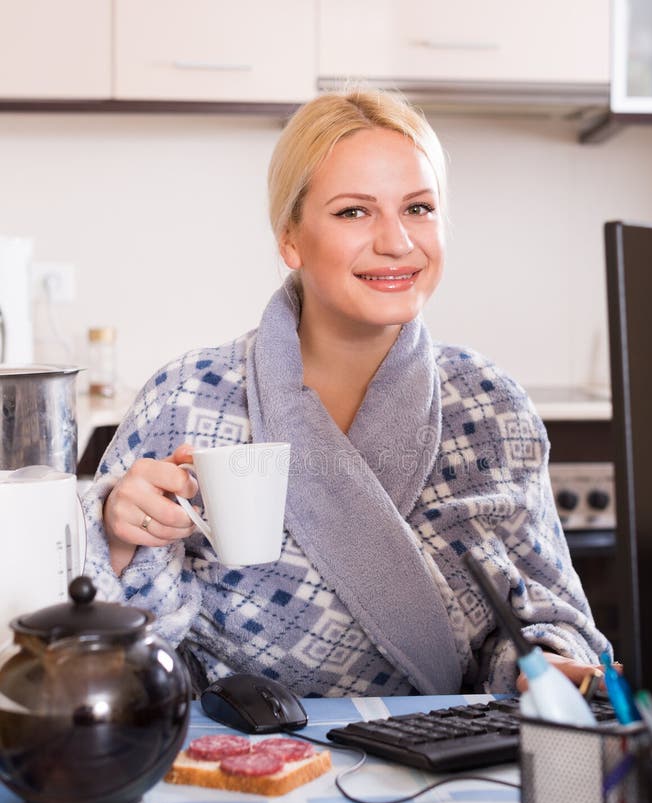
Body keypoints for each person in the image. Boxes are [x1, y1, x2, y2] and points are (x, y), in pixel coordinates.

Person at [83, 89, 612, 697]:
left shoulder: (489, 405)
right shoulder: (187, 397)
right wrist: (120, 537)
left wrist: (546, 669)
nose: (396, 241)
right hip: (242, 756)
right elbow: (108, 653)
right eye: (354, 212)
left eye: (418, 208)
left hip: (448, 758)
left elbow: (544, 617)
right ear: (291, 238)